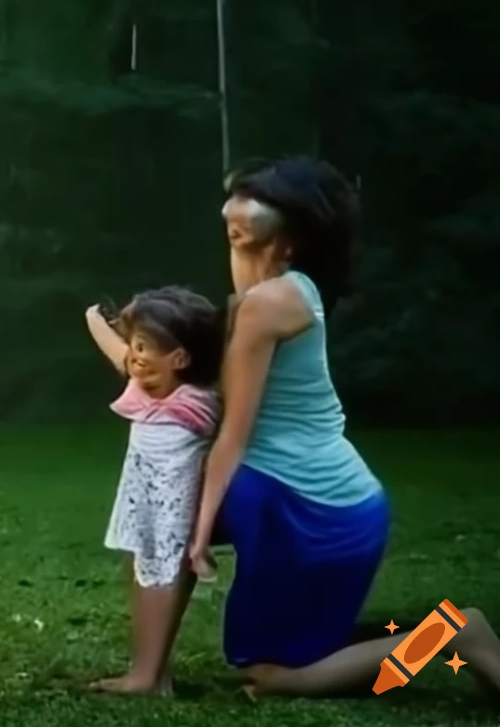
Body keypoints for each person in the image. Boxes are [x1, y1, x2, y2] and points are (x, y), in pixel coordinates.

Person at [187, 155, 500, 696]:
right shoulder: (285, 292)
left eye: (240, 237)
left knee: (273, 675)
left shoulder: (270, 301)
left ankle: (456, 634)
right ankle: (448, 634)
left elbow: (234, 433)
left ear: (285, 244)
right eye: (228, 234)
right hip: (330, 501)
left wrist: (198, 533)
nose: (230, 248)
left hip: (312, 509)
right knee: (306, 653)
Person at [84, 287, 224, 694]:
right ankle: (151, 669)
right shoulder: (143, 384)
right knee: (138, 569)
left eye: (144, 346)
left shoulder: (198, 400)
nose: (134, 355)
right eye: (134, 345)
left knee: (162, 574)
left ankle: (146, 676)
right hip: (139, 497)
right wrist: (96, 320)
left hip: (170, 506)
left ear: (179, 359)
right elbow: (119, 352)